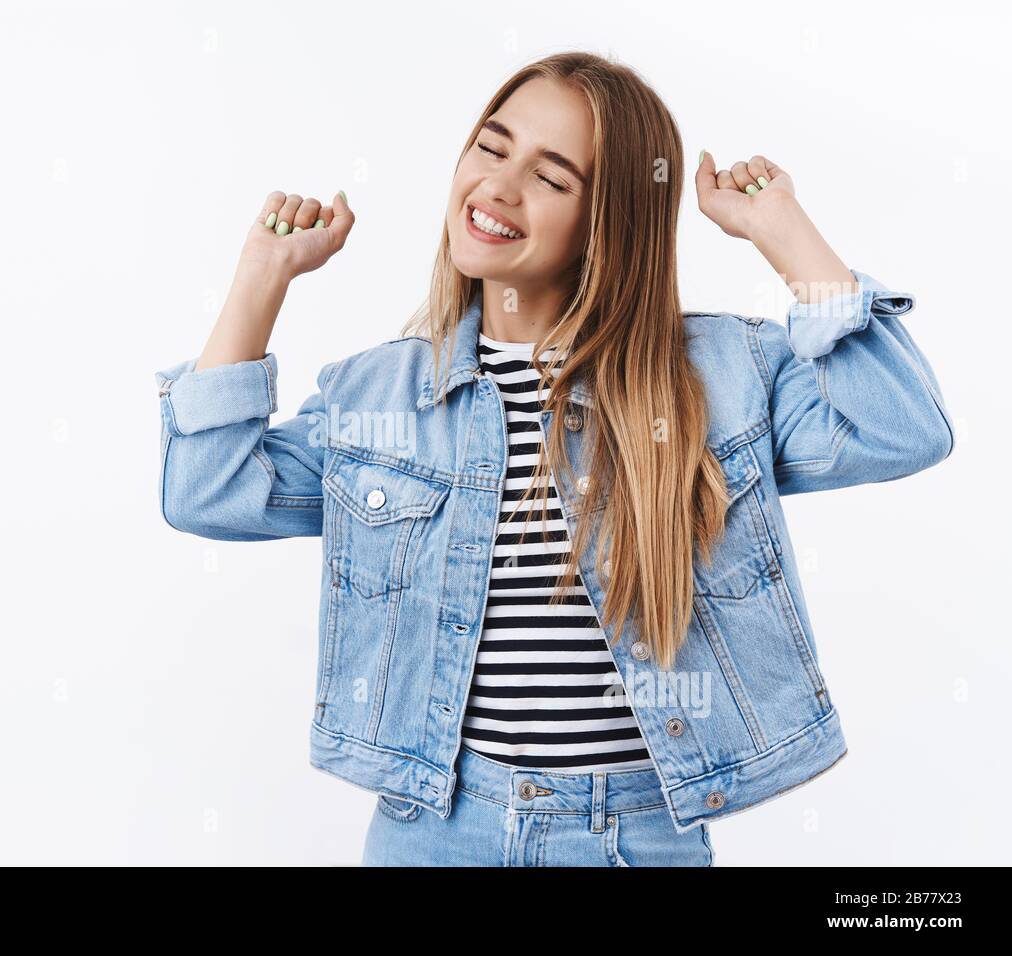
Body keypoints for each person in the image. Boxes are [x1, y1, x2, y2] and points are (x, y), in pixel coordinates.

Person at [154, 52, 954, 866]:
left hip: (634, 837)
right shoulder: (383, 396)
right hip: (433, 834)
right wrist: (261, 278)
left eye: (552, 177)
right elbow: (206, 492)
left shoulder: (716, 379)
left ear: (609, 220)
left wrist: (786, 236)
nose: (498, 187)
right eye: (492, 148)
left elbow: (901, 428)